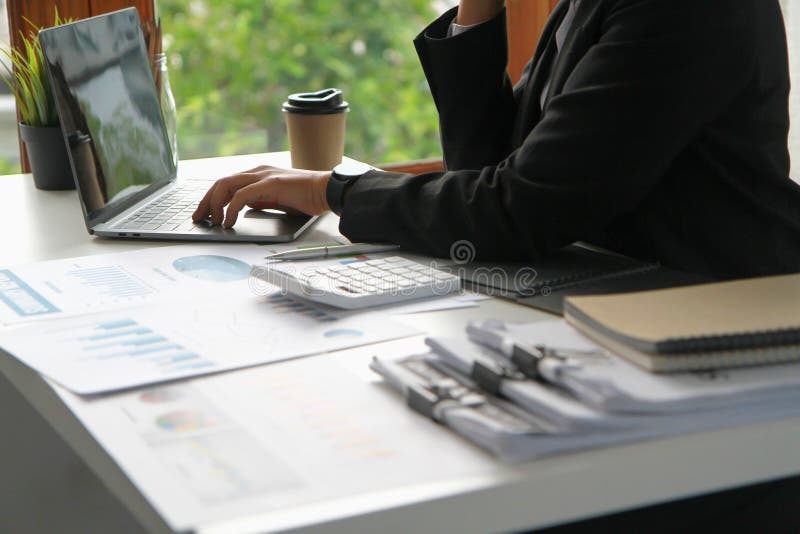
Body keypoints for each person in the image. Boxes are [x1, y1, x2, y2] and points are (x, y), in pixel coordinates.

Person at [193, 0, 800, 281]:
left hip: (716, 317)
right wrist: (479, 7)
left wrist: (334, 191)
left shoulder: (684, 11)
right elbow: (490, 173)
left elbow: (519, 208)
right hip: (618, 294)